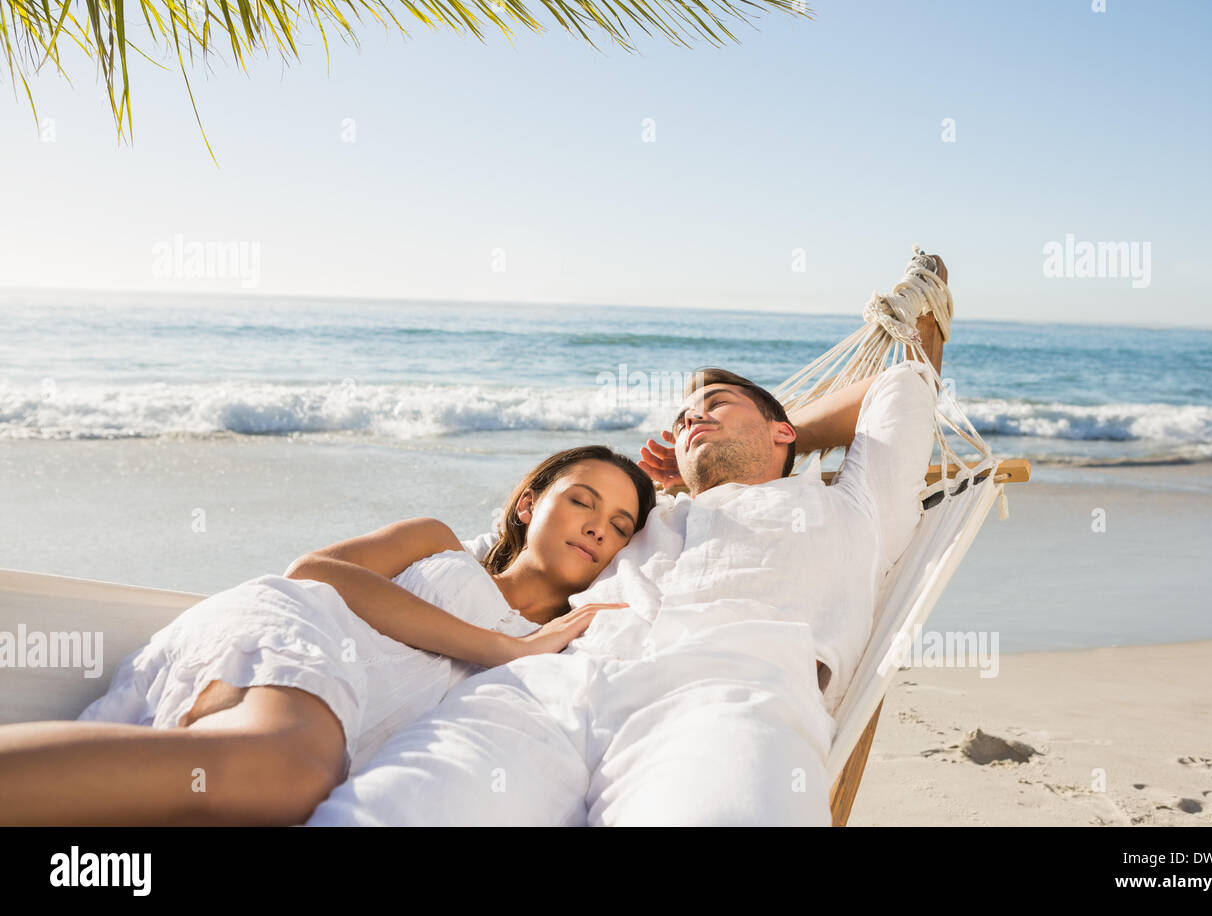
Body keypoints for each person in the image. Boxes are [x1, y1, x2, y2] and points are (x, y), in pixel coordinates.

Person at [306, 255, 949, 826]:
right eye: (683, 418)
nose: (691, 417)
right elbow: (523, 555)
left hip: (720, 695)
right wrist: (703, 462)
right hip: (549, 690)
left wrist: (772, 436)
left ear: (786, 432)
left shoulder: (852, 505)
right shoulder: (644, 520)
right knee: (398, 806)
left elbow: (903, 384)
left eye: (716, 404)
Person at [0, 445, 655, 825]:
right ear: (529, 503)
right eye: (582, 499)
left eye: (623, 524)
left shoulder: (571, 640)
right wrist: (502, 647)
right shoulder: (438, 544)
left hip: (335, 720)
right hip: (300, 633)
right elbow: (315, 572)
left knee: (235, 791)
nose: (600, 526)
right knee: (287, 770)